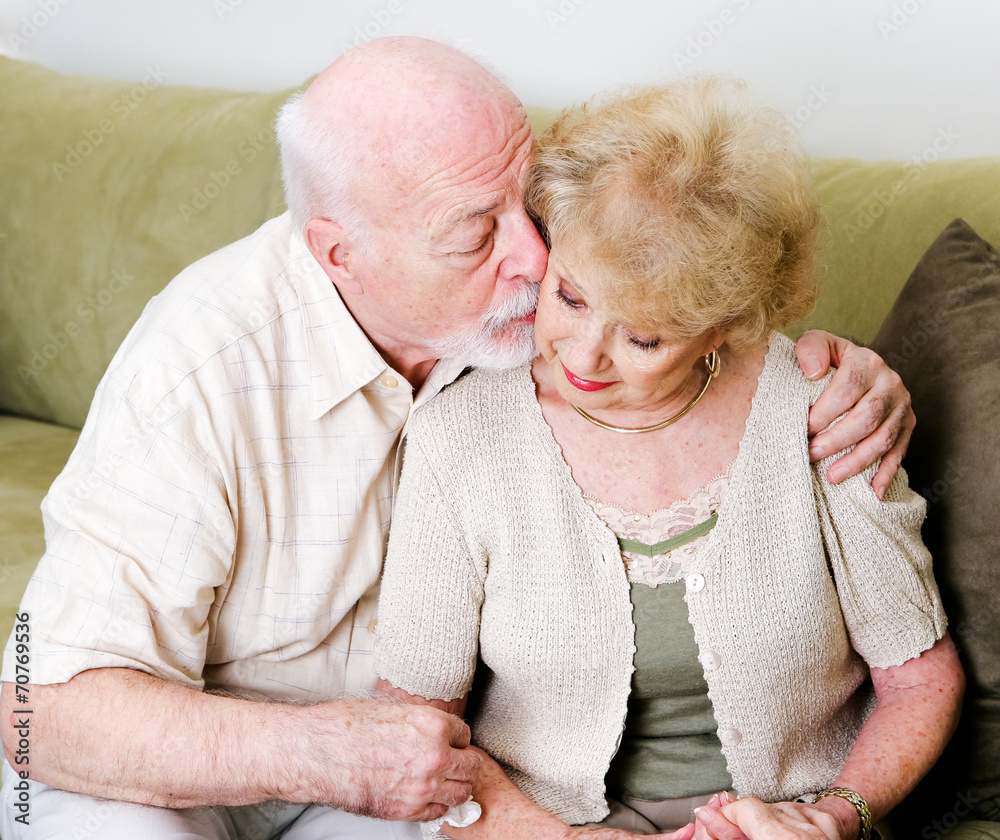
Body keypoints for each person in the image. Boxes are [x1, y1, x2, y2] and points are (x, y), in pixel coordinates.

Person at [0, 39, 914, 840]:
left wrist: (835, 368)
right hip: (188, 774)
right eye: (476, 234)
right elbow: (34, 710)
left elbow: (686, 296)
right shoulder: (197, 371)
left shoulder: (541, 314)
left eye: (528, 203)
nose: (532, 256)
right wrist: (323, 752)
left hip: (417, 782)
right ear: (338, 256)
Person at [374, 75, 965, 840]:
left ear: (725, 326)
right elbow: (414, 720)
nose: (581, 354)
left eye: (644, 336)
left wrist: (834, 817)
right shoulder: (464, 436)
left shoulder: (820, 409)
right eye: (572, 296)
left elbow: (919, 678)